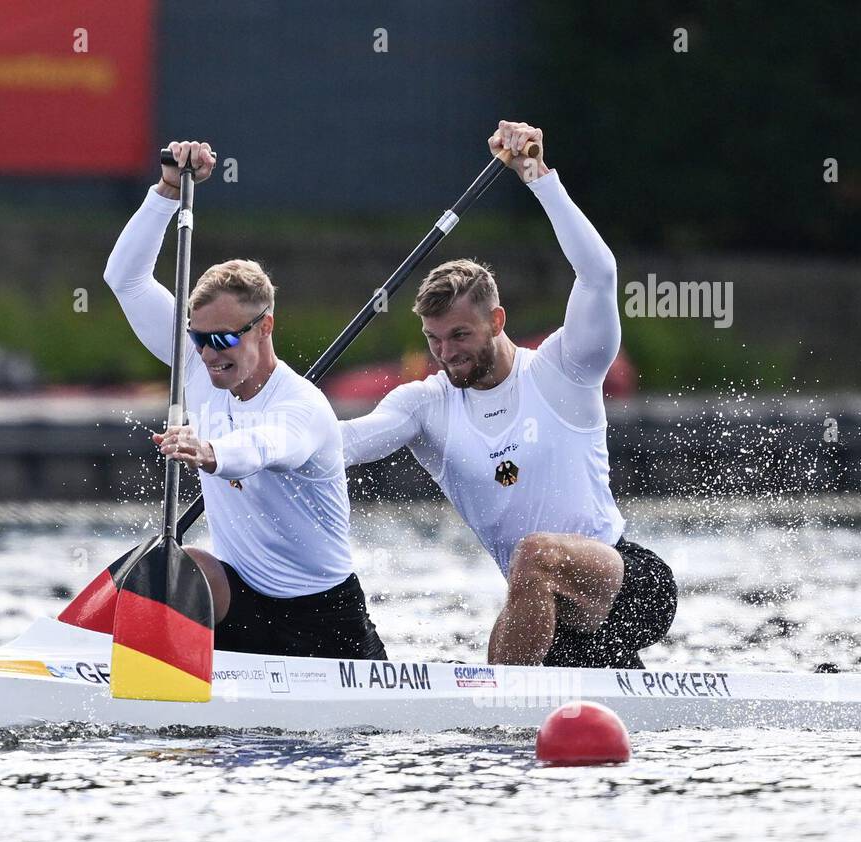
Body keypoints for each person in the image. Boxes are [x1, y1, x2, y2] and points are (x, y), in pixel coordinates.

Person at [342, 121, 676, 668]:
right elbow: (343, 442)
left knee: (535, 555)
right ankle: (498, 730)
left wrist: (538, 178)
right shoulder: (424, 405)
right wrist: (238, 447)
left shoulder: (561, 370)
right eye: (434, 340)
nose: (446, 353)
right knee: (518, 682)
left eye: (460, 336)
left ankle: (498, 707)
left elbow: (598, 274)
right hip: (549, 608)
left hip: (627, 585)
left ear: (497, 320)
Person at [104, 140, 386, 660]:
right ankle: (140, 690)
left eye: (224, 339)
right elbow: (124, 279)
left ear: (265, 327)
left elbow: (263, 447)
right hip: (244, 604)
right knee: (177, 566)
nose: (209, 354)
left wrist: (209, 452)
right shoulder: (194, 366)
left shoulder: (301, 405)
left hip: (324, 623)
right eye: (198, 338)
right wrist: (168, 190)